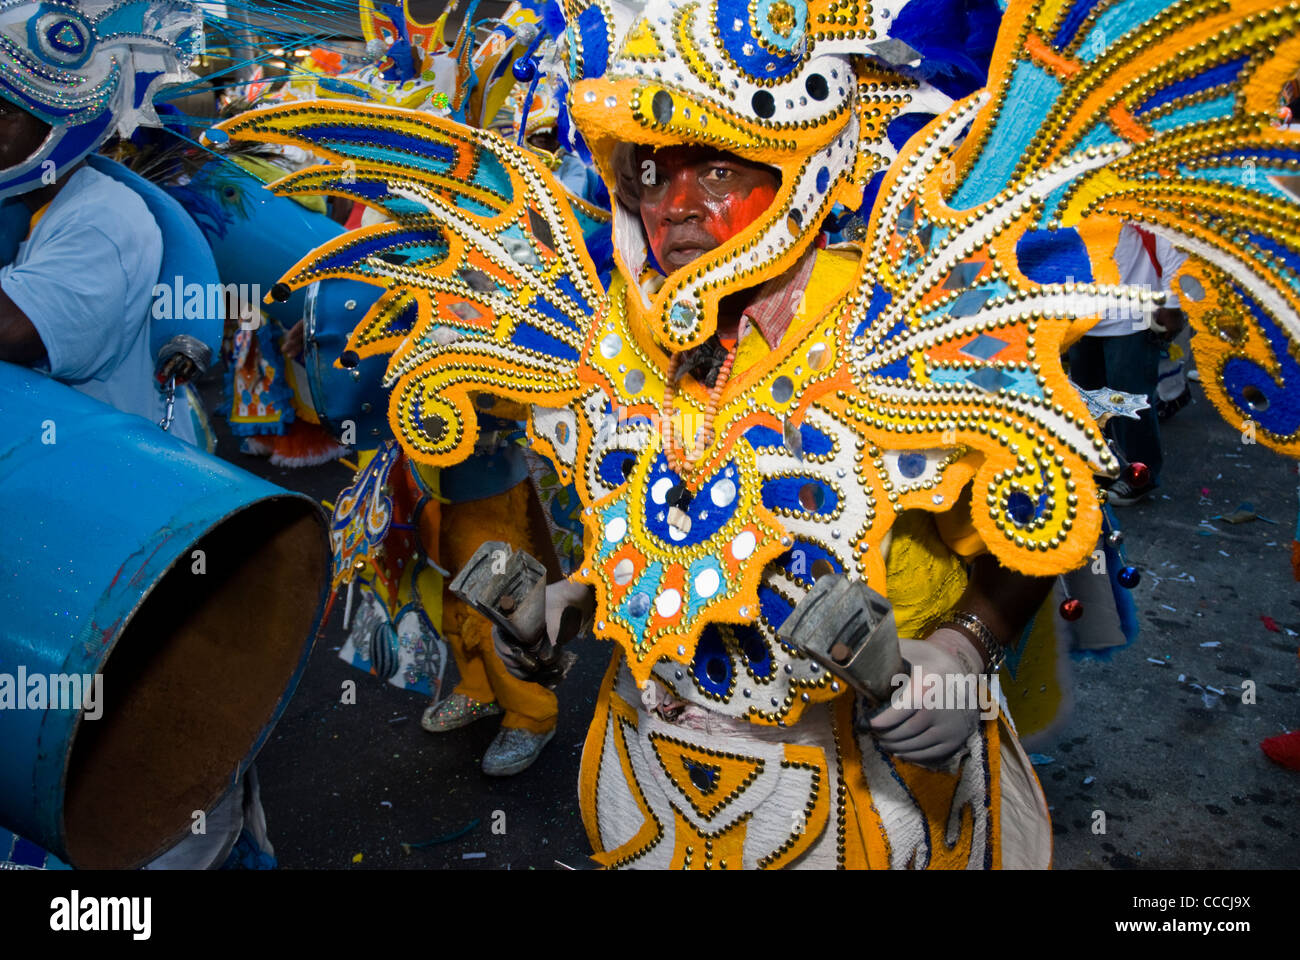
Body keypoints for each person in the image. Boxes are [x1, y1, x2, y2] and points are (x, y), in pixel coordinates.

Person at [1067, 223, 1188, 505]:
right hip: (1079, 316)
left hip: (1132, 314)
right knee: (1086, 400)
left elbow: (1167, 240)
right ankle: (1100, 468)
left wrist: (1171, 301)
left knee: (1129, 400)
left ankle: (1140, 475)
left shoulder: (1131, 190)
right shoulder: (1065, 192)